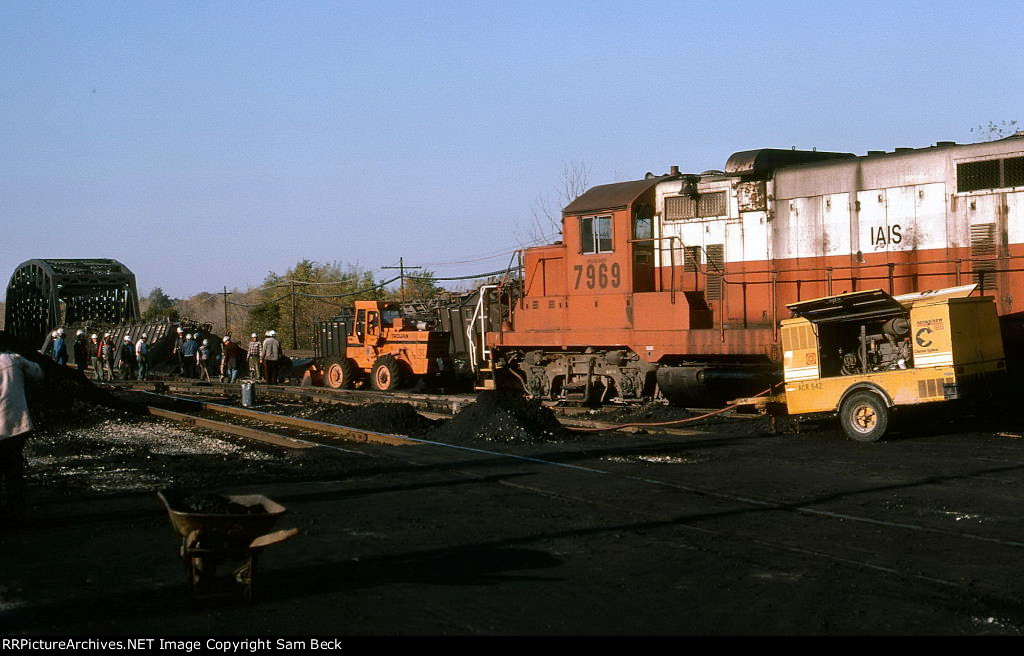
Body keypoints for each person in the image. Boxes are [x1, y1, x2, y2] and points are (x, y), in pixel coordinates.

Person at [0, 350, 44, 521]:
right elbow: (38, 373)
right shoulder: (13, 359)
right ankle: (15, 509)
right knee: (13, 468)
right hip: (17, 424)